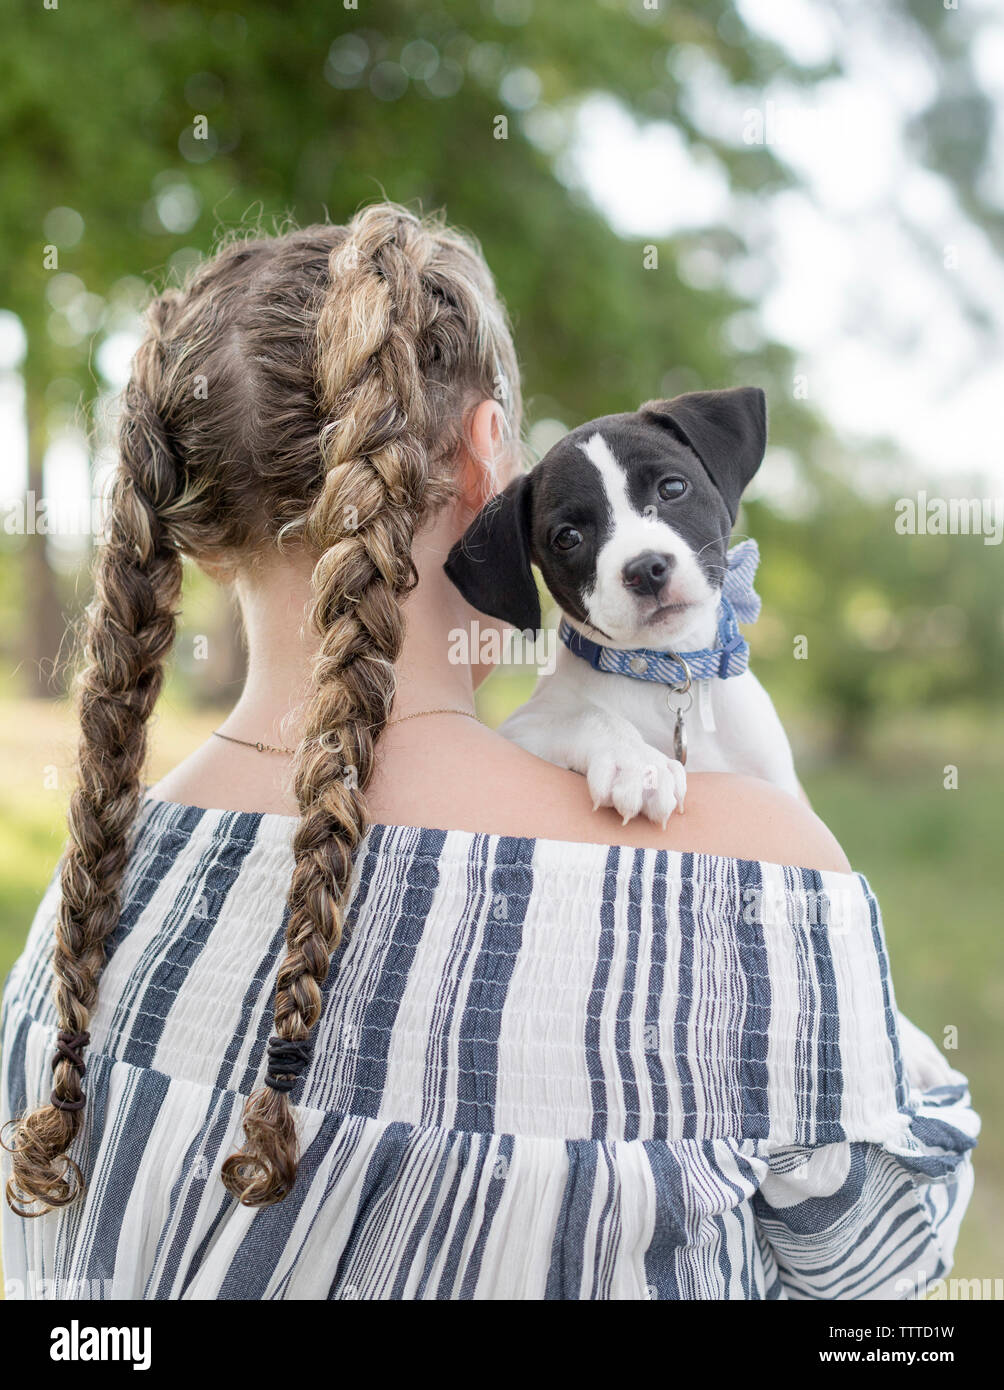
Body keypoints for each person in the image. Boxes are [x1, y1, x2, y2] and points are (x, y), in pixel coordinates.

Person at [0, 204, 977, 1300]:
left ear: (193, 517)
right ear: (486, 456)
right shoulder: (739, 867)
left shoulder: (72, 922)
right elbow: (877, 1266)